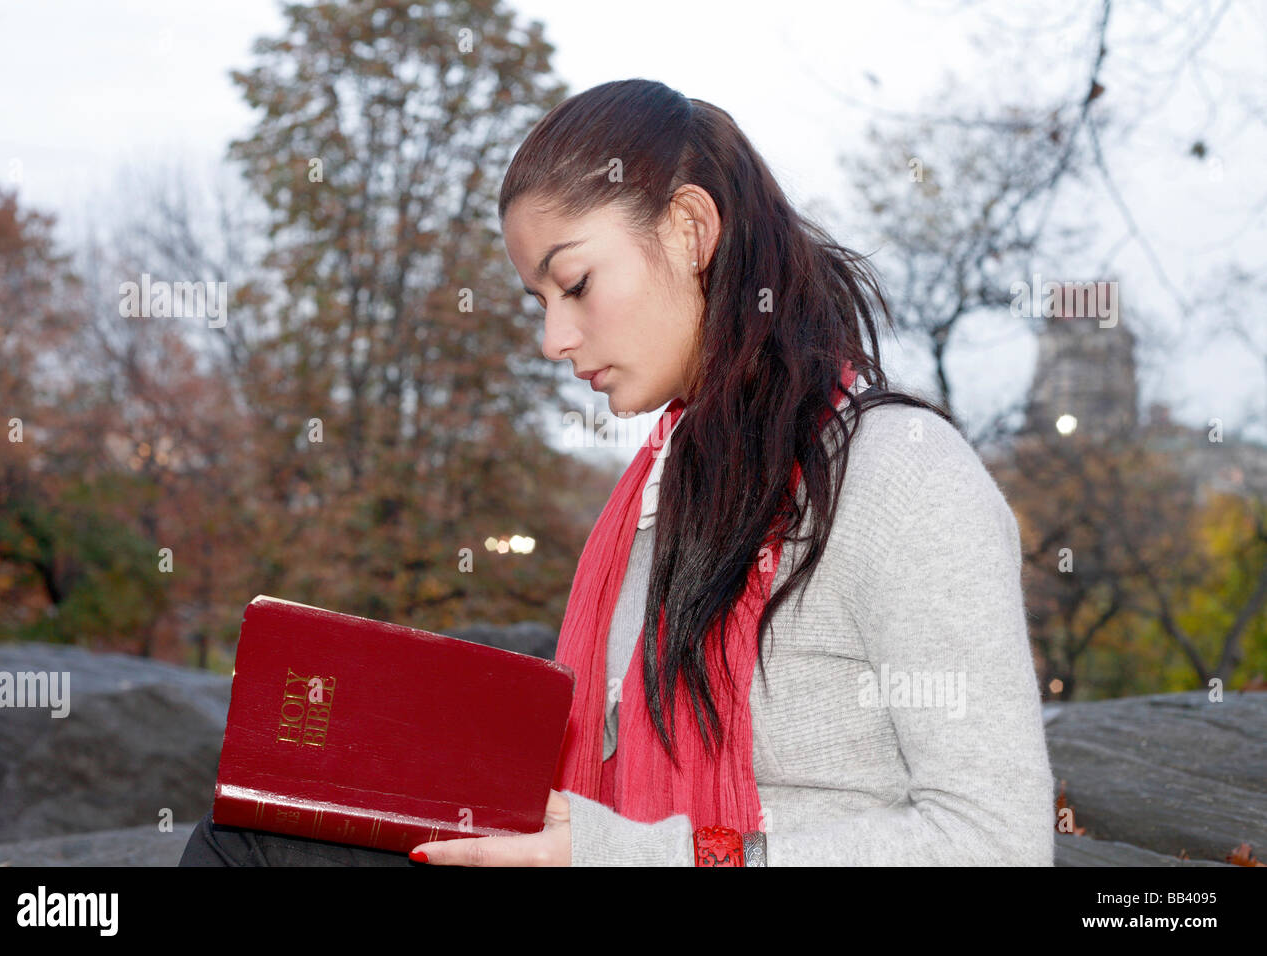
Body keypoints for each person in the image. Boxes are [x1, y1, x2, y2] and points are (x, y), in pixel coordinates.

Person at [180, 77, 1055, 867]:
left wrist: (637, 856)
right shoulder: (669, 486)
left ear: (688, 229)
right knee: (256, 832)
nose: (553, 340)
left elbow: (994, 843)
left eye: (576, 283)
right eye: (538, 302)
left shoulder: (901, 473)